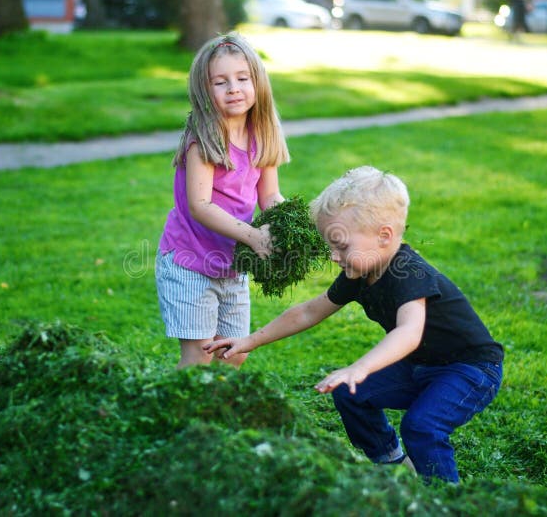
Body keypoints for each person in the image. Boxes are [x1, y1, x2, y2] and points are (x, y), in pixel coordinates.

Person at [204, 166, 503, 483]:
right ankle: (395, 465)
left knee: (422, 426)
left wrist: (360, 367)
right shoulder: (359, 273)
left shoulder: (408, 273)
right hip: (422, 366)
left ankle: (446, 497)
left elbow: (409, 333)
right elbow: (309, 311)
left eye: (342, 246)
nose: (334, 256)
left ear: (384, 236)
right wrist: (250, 341)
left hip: (470, 369)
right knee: (350, 392)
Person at [156, 32, 289, 369]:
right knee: (199, 356)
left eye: (243, 78)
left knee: (236, 352)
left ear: (257, 83)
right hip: (189, 262)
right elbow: (201, 206)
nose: (233, 88)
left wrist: (283, 227)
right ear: (205, 90)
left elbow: (269, 195)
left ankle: (220, 417)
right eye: (221, 82)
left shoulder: (263, 135)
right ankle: (185, 417)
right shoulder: (203, 140)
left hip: (232, 266)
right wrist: (253, 237)